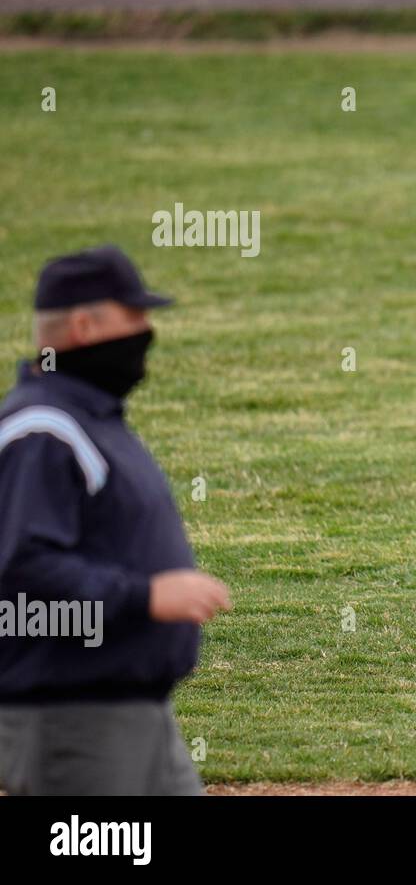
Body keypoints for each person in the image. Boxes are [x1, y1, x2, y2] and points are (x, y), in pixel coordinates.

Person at [0, 244, 231, 794]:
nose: (147, 331)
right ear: (83, 325)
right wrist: (145, 597)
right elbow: (20, 570)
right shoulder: (42, 432)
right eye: (135, 317)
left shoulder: (90, 421)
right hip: (72, 721)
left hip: (137, 716)